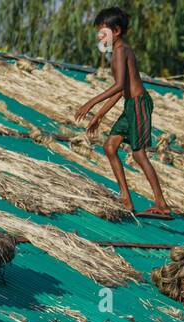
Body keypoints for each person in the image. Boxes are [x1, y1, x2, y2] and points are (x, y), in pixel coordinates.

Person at [74, 6, 173, 218]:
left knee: (138, 154)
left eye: (103, 32)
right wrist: (99, 115)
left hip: (138, 104)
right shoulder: (120, 51)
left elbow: (119, 86)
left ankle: (162, 204)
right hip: (131, 106)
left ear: (116, 31)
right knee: (110, 147)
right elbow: (120, 92)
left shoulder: (121, 51)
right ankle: (126, 199)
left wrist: (90, 104)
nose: (100, 37)